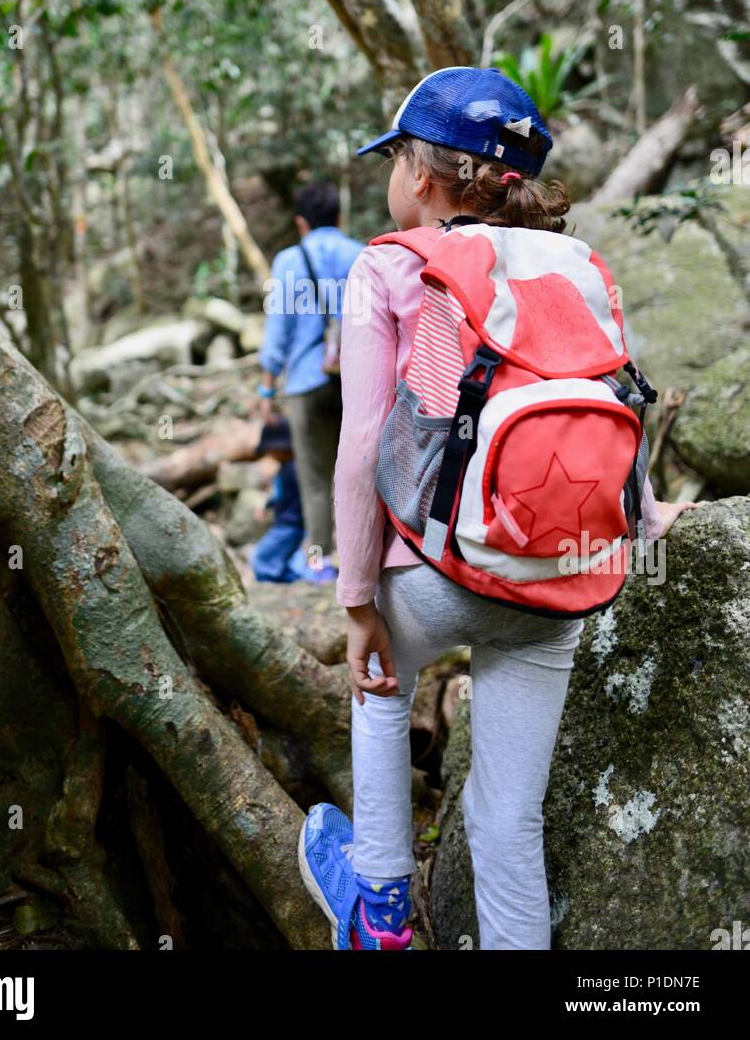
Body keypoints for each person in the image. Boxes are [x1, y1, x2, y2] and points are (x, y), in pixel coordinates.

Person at [297, 66, 698, 951]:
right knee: (509, 820)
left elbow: (362, 446)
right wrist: (647, 515)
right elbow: (611, 403)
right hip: (562, 579)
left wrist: (357, 600)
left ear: (426, 177)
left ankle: (379, 909)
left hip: (438, 569)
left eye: (396, 158)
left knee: (379, 686)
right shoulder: (578, 262)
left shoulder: (388, 264)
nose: (391, 177)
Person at [259, 182, 363, 584]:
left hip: (305, 381)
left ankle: (319, 563)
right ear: (339, 217)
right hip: (356, 379)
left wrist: (267, 389)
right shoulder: (361, 254)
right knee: (359, 472)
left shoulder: (288, 261)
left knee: (316, 478)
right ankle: (364, 559)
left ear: (301, 223)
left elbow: (277, 330)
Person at [251, 417, 305, 584]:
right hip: (285, 522)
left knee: (261, 557)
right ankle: (287, 576)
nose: (269, 455)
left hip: (291, 524)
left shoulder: (295, 470)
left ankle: (271, 579)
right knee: (278, 555)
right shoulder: (285, 469)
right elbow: (281, 495)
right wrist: (268, 505)